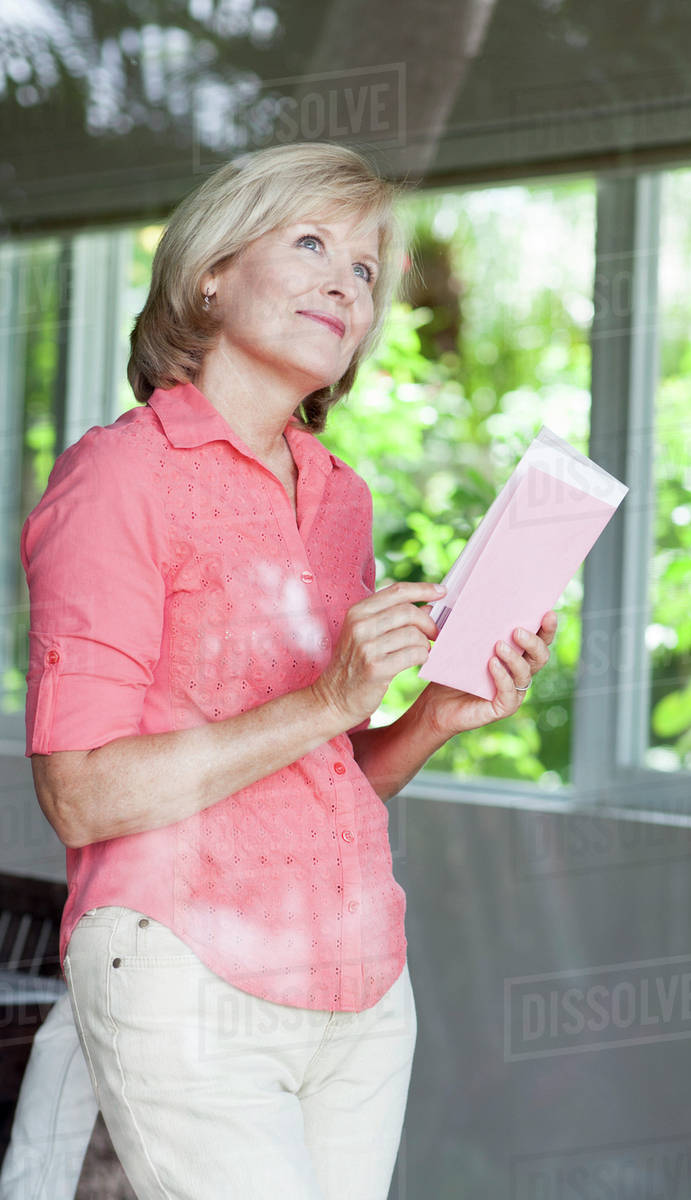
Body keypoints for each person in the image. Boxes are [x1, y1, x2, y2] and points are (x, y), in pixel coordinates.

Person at [14, 141, 556, 1200]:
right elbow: (79, 796)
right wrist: (325, 697)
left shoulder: (338, 494)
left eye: (362, 269)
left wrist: (434, 715)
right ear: (210, 271)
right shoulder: (118, 477)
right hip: (184, 967)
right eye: (309, 241)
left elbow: (326, 777)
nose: (342, 282)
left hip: (360, 983)